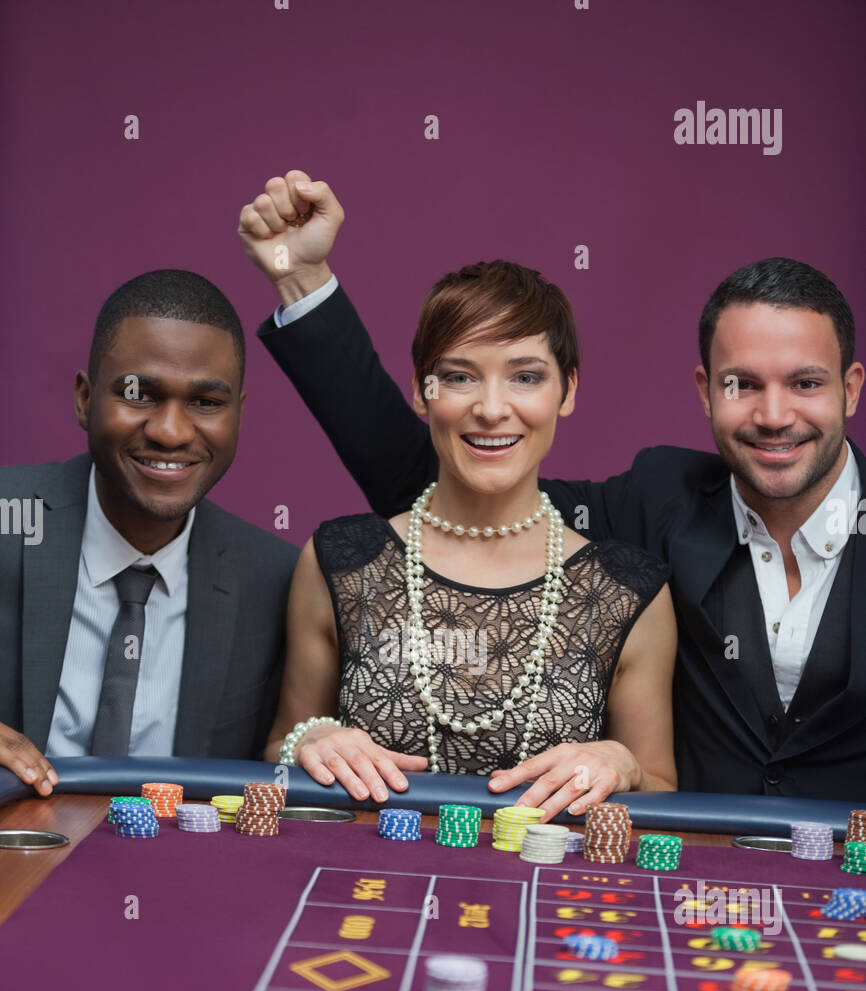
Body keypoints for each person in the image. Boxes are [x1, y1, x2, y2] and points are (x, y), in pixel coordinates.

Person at [239, 171, 865, 801]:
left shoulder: (625, 578)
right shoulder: (656, 501)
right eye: (744, 384)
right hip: (697, 879)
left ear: (851, 387)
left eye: (806, 383)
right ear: (706, 391)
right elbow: (452, 475)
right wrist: (301, 278)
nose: (775, 414)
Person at [259, 256, 677, 819]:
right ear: (421, 390)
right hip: (371, 892)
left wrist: (622, 763)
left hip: (541, 890)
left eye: (526, 377)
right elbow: (277, 752)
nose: (491, 409)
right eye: (459, 377)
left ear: (567, 390)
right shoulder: (339, 562)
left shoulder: (630, 589)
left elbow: (661, 790)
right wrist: (308, 742)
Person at [0, 270, 298, 794]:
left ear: (238, 415)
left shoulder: (277, 580)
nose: (170, 432)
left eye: (206, 403)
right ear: (83, 398)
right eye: (139, 394)